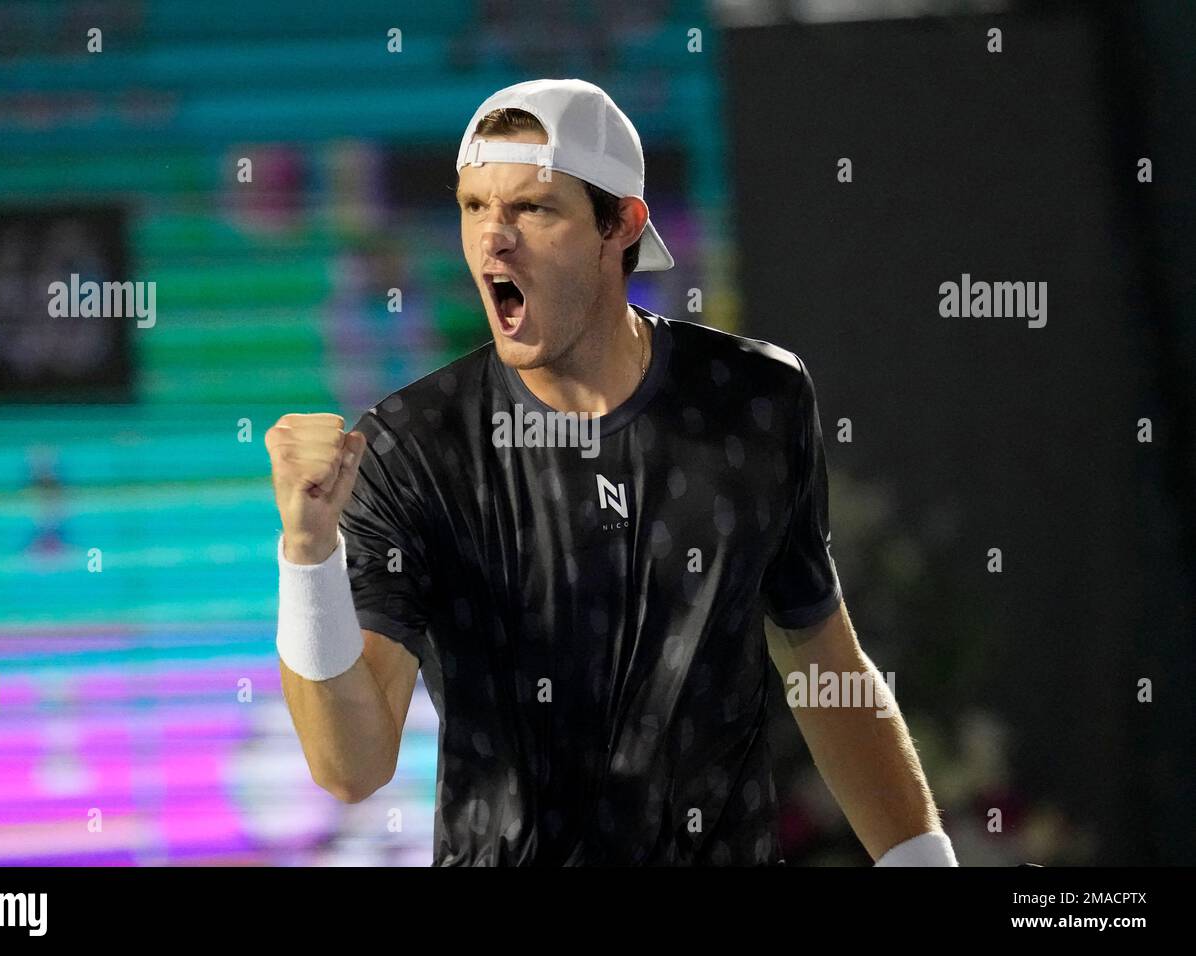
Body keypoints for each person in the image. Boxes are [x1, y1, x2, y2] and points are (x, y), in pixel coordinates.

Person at [266, 78, 957, 867]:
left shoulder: (759, 400)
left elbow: (825, 666)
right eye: (474, 206)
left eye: (533, 208)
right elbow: (349, 768)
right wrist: (308, 557)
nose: (493, 239)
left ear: (621, 225)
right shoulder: (413, 447)